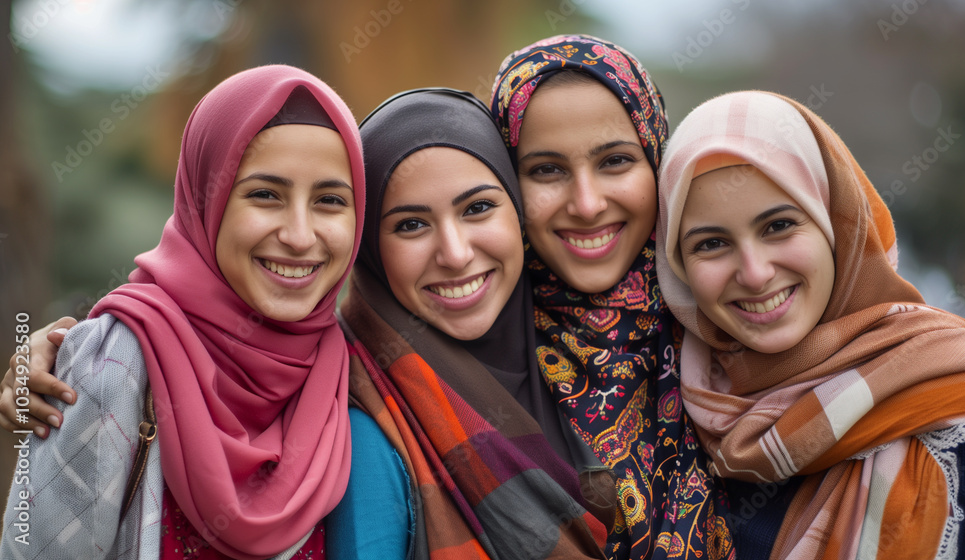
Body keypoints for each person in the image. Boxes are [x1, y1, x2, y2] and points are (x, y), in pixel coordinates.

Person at [0, 64, 377, 559]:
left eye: (330, 200)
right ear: (207, 199)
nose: (300, 235)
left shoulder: (353, 370)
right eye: (265, 195)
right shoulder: (116, 359)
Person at [656, 89, 965, 559]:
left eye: (778, 225)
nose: (754, 273)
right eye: (712, 243)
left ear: (838, 227)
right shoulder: (666, 413)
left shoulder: (959, 419)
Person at [490, 35, 735, 560]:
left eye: (616, 161)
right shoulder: (475, 360)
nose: (586, 202)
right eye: (546, 170)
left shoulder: (737, 329)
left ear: (657, 160)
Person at [338, 87, 608, 559]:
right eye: (410, 225)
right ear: (368, 250)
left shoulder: (605, 357)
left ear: (519, 214)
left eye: (478, 208)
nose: (456, 254)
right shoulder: (362, 426)